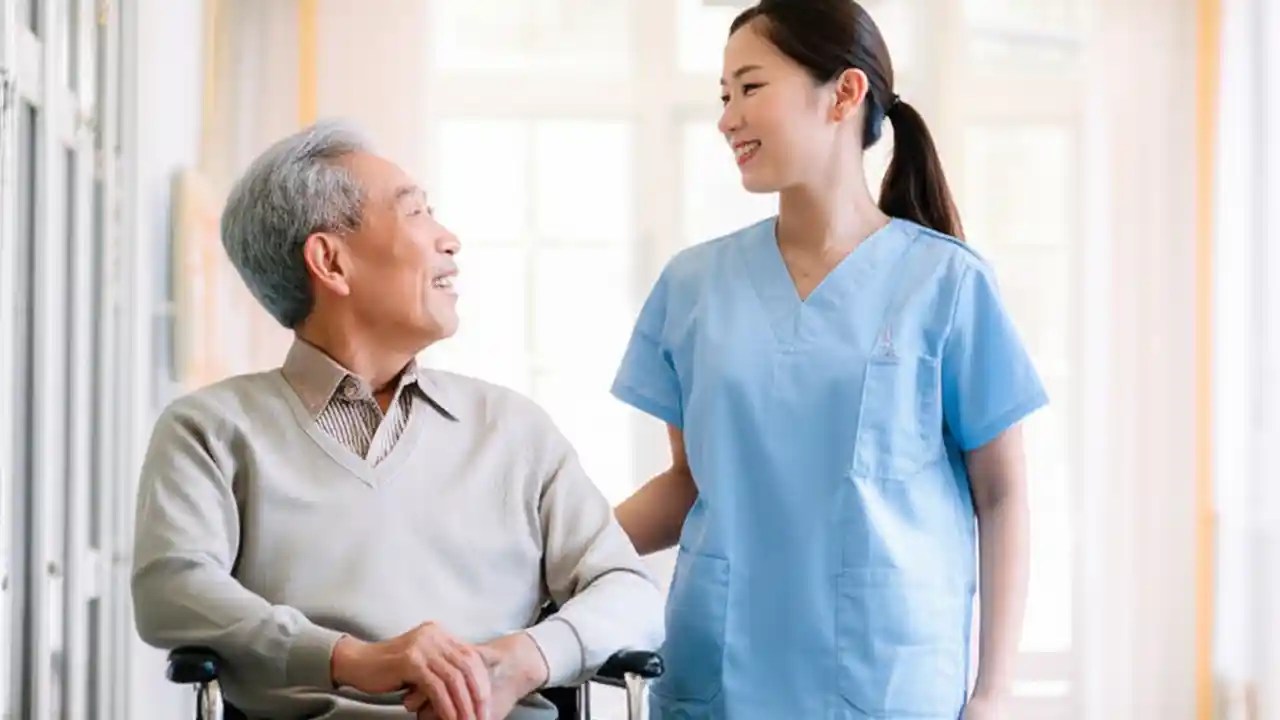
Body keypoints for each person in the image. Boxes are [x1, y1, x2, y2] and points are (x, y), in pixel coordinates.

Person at [131, 121, 663, 720]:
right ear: (330, 261)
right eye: (416, 213)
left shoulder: (513, 429)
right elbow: (170, 590)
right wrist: (351, 658)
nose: (450, 239)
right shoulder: (211, 430)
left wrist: (526, 659)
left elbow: (628, 589)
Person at [609, 1, 1047, 718]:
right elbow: (689, 482)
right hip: (721, 676)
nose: (727, 117)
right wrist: (558, 554)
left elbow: (1001, 496)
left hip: (887, 681)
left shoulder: (946, 284)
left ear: (844, 94)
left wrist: (994, 691)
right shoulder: (694, 286)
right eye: (723, 95)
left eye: (750, 88)